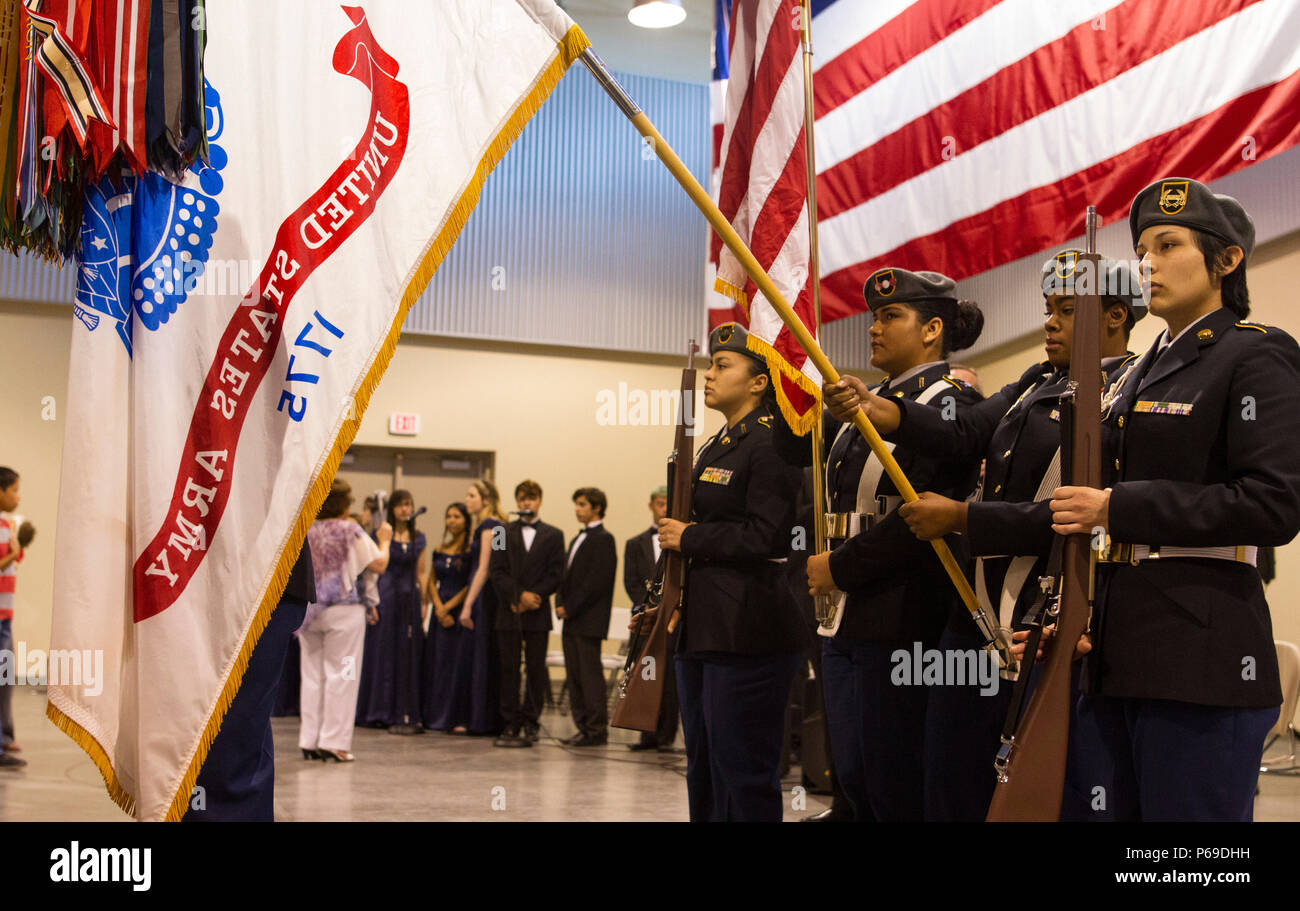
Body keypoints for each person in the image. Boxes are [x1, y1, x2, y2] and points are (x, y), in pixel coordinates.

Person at [833, 252, 1145, 820]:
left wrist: (964, 520)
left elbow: (1069, 512)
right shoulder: (1035, 381)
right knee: (947, 778)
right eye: (1048, 309)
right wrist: (879, 408)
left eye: (1067, 310)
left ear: (1116, 317)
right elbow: (964, 432)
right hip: (975, 613)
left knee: (1041, 787)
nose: (1049, 322)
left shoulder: (1128, 392)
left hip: (1048, 614)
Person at [1048, 177, 1300, 821]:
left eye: (1168, 244)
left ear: (1227, 259)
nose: (1148, 263)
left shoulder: (1256, 354)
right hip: (1111, 646)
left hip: (1200, 652)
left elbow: (1273, 505)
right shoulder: (1136, 370)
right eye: (1142, 250)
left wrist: (1117, 507)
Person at [781, 268, 985, 821]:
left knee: (895, 773)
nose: (874, 327)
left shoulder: (953, 400)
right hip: (843, 610)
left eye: (891, 316)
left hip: (904, 608)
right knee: (852, 772)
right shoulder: (861, 406)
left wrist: (841, 567)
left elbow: (922, 516)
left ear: (932, 329)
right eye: (874, 316)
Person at [657, 322, 805, 821]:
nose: (710, 376)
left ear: (760, 381)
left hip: (748, 628)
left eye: (723, 366)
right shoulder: (720, 443)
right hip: (704, 626)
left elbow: (769, 536)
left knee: (741, 769)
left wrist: (690, 536)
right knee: (703, 765)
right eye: (711, 366)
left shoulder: (771, 444)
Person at [298, 479, 391, 763]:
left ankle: (310, 739)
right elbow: (378, 564)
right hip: (344, 609)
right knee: (343, 674)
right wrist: (385, 540)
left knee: (312, 676)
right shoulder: (350, 530)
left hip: (310, 611)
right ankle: (334, 741)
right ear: (345, 503)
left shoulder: (307, 529)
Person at [489, 479, 564, 747]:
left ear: (539, 501)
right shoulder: (501, 531)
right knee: (508, 668)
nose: (526, 503)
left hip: (537, 610)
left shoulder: (554, 535)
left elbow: (556, 573)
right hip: (509, 610)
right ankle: (509, 721)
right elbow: (496, 571)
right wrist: (516, 596)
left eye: (531, 498)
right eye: (522, 498)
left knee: (535, 669)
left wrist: (535, 596)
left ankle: (531, 720)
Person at [356, 489, 428, 733]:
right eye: (400, 505)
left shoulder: (419, 537)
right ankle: (379, 709)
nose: (405, 509)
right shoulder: (381, 535)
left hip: (410, 597)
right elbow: (374, 568)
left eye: (409, 504)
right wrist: (371, 601)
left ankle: (404, 710)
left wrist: (425, 602)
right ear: (392, 509)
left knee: (407, 652)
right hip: (386, 595)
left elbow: (422, 572)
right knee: (383, 651)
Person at [557, 487, 617, 747]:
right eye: (577, 504)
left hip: (588, 619)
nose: (577, 509)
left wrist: (570, 606)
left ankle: (596, 729)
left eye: (582, 504)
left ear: (597, 508)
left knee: (590, 677)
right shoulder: (577, 538)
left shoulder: (604, 539)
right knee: (575, 675)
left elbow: (596, 582)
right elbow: (566, 576)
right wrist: (560, 601)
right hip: (572, 618)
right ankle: (582, 726)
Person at [623, 485, 678, 752]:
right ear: (650, 506)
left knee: (669, 679)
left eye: (668, 503)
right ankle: (646, 734)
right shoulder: (635, 543)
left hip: (672, 619)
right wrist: (647, 607)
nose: (664, 508)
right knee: (645, 675)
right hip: (646, 619)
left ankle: (666, 737)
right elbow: (631, 581)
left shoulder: (680, 543)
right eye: (659, 503)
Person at [457, 479, 508, 735]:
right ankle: (483, 716)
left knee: (481, 654)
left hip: (484, 598)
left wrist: (467, 605)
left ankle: (480, 718)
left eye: (471, 495)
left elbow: (486, 568)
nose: (467, 500)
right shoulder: (497, 525)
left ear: (485, 500)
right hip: (487, 595)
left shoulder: (491, 526)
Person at [422, 503, 474, 732]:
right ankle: (433, 714)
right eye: (448, 516)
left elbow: (469, 584)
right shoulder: (439, 548)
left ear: (466, 520)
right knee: (438, 662)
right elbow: (431, 579)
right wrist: (438, 606)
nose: (452, 520)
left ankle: (455, 716)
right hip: (439, 610)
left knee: (455, 664)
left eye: (457, 516)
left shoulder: (471, 551)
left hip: (459, 611)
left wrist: (449, 607)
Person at [0, 468, 29, 769]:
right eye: (14, 490)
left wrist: (19, 549)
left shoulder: (5, 524)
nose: (18, 496)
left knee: (5, 680)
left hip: (4, 615)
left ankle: (5, 738)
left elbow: (9, 563)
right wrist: (14, 553)